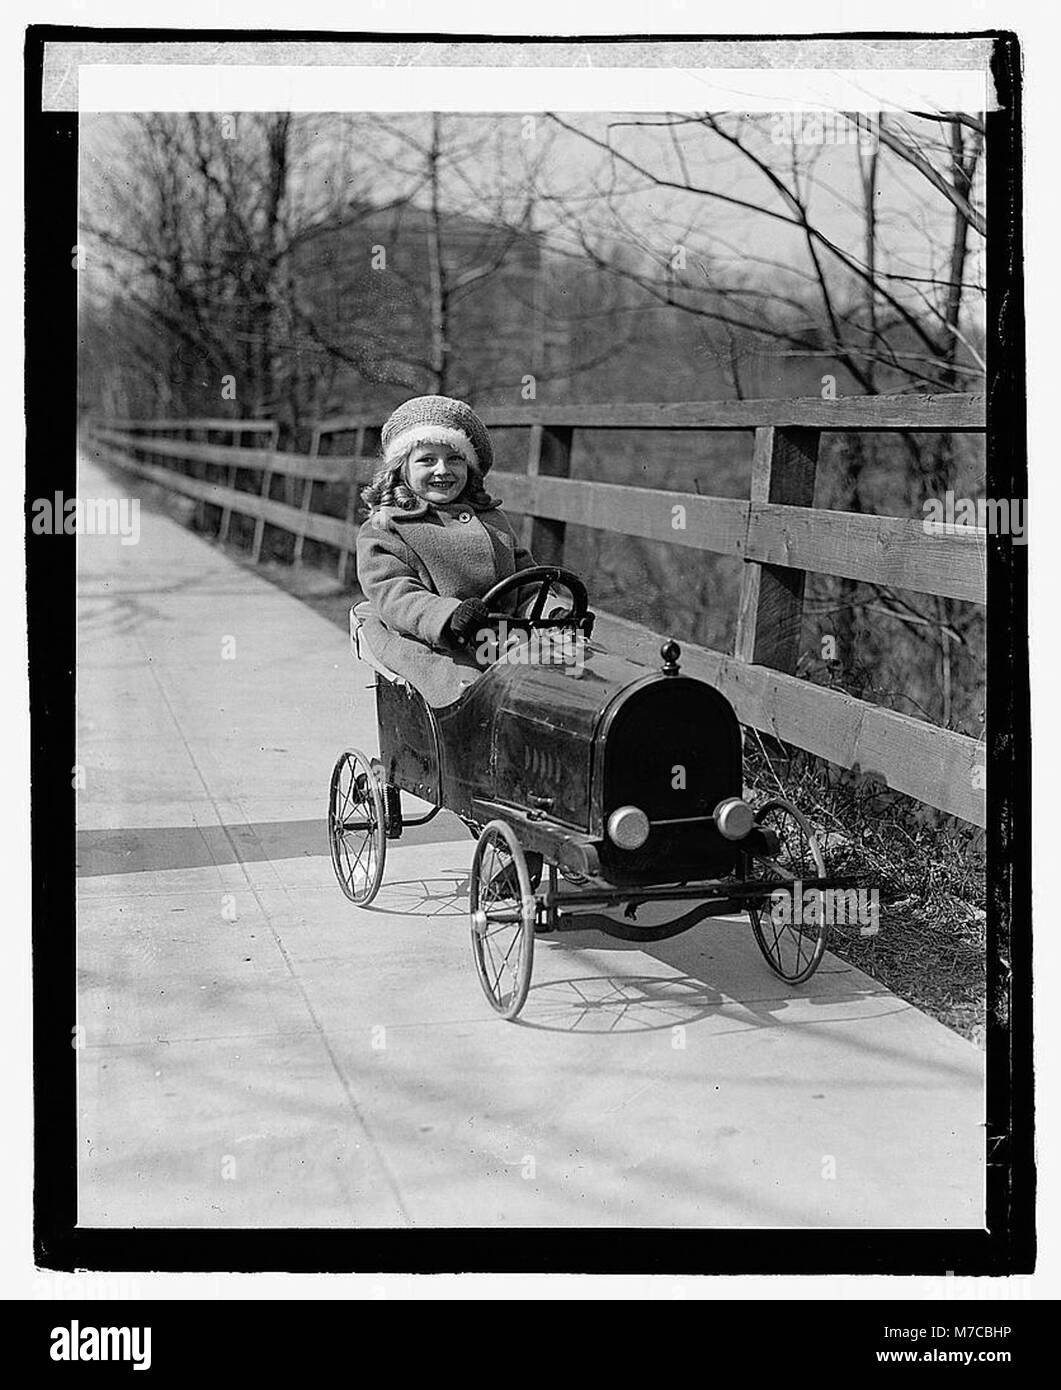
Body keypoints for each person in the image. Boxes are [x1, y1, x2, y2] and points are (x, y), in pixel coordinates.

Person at [355, 395, 558, 707]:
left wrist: (551, 611)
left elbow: (526, 582)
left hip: (497, 637)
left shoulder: (492, 521)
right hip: (428, 642)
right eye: (427, 460)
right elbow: (394, 595)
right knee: (473, 694)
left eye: (454, 459)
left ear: (469, 466)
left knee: (558, 675)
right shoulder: (387, 527)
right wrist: (446, 617)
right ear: (401, 468)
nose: (442, 470)